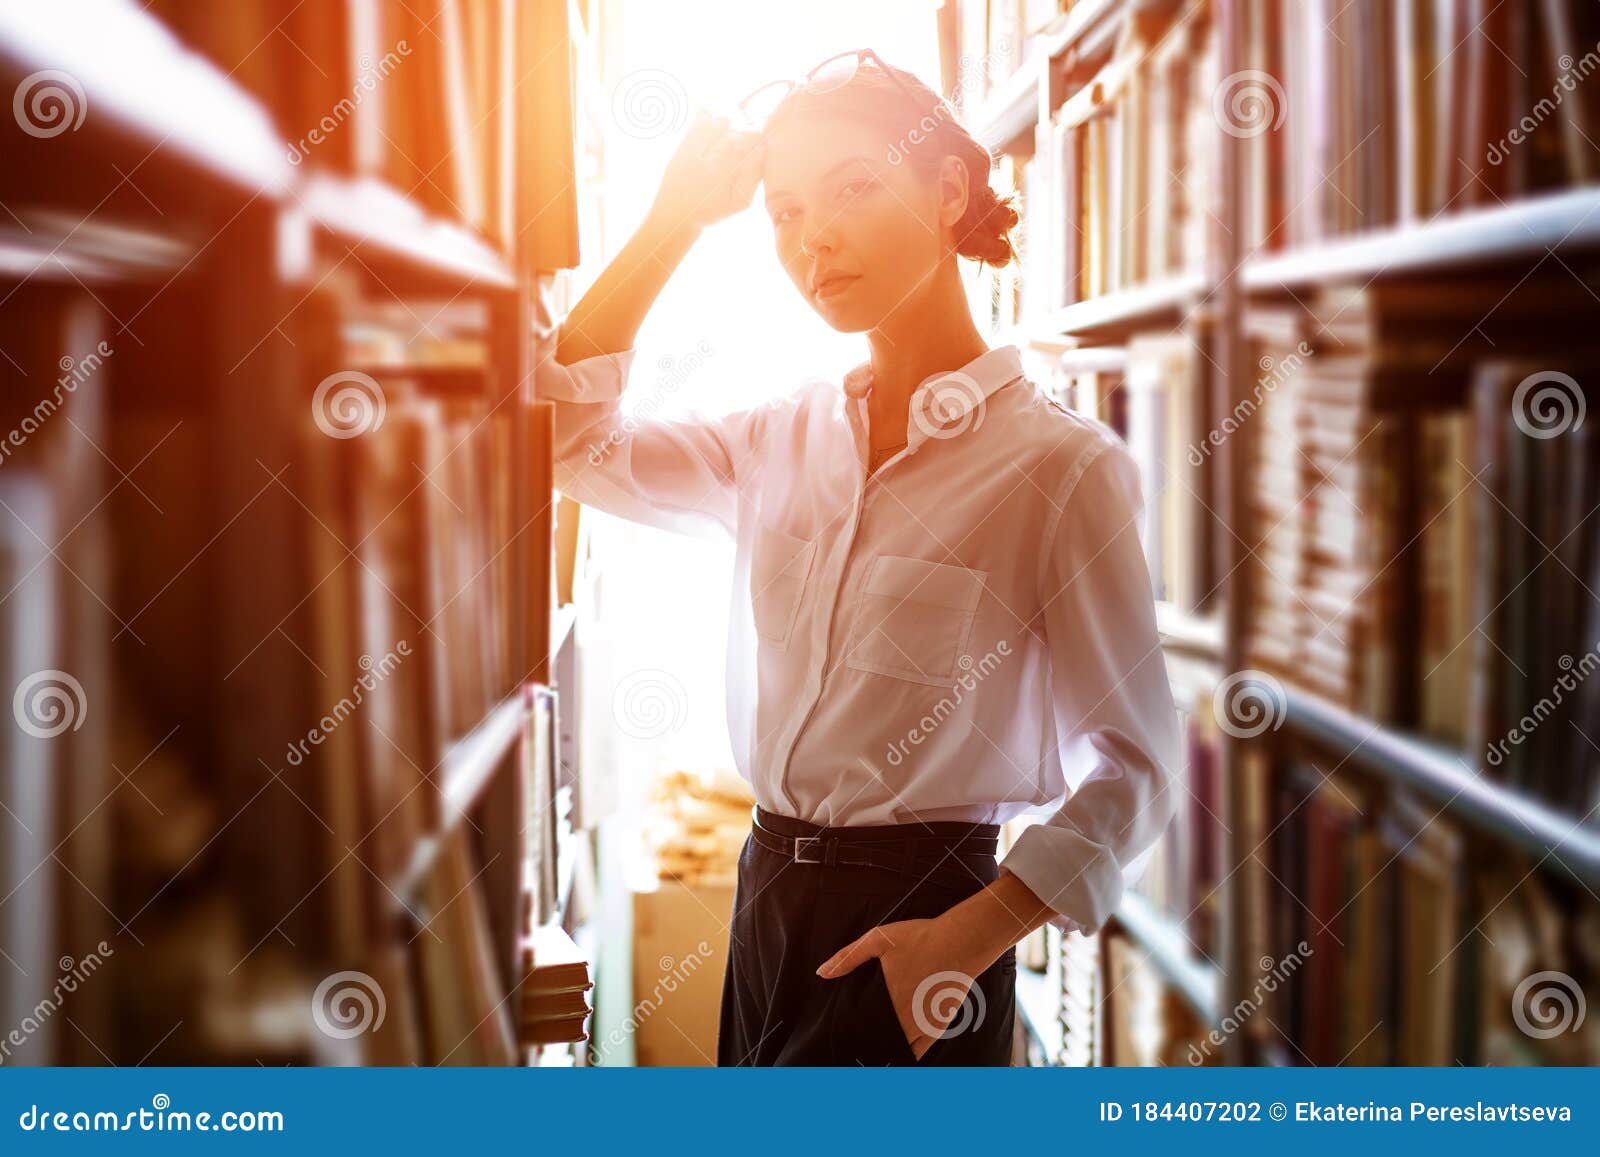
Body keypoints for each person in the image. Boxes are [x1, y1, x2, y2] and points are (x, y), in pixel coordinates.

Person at [538, 49, 1182, 1066]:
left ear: (947, 190)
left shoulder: (1062, 469)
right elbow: (564, 443)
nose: (814, 238)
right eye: (784, 211)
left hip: (920, 918)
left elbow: (1140, 760)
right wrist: (673, 222)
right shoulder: (776, 434)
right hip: (766, 894)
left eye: (852, 188)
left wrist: (965, 938)